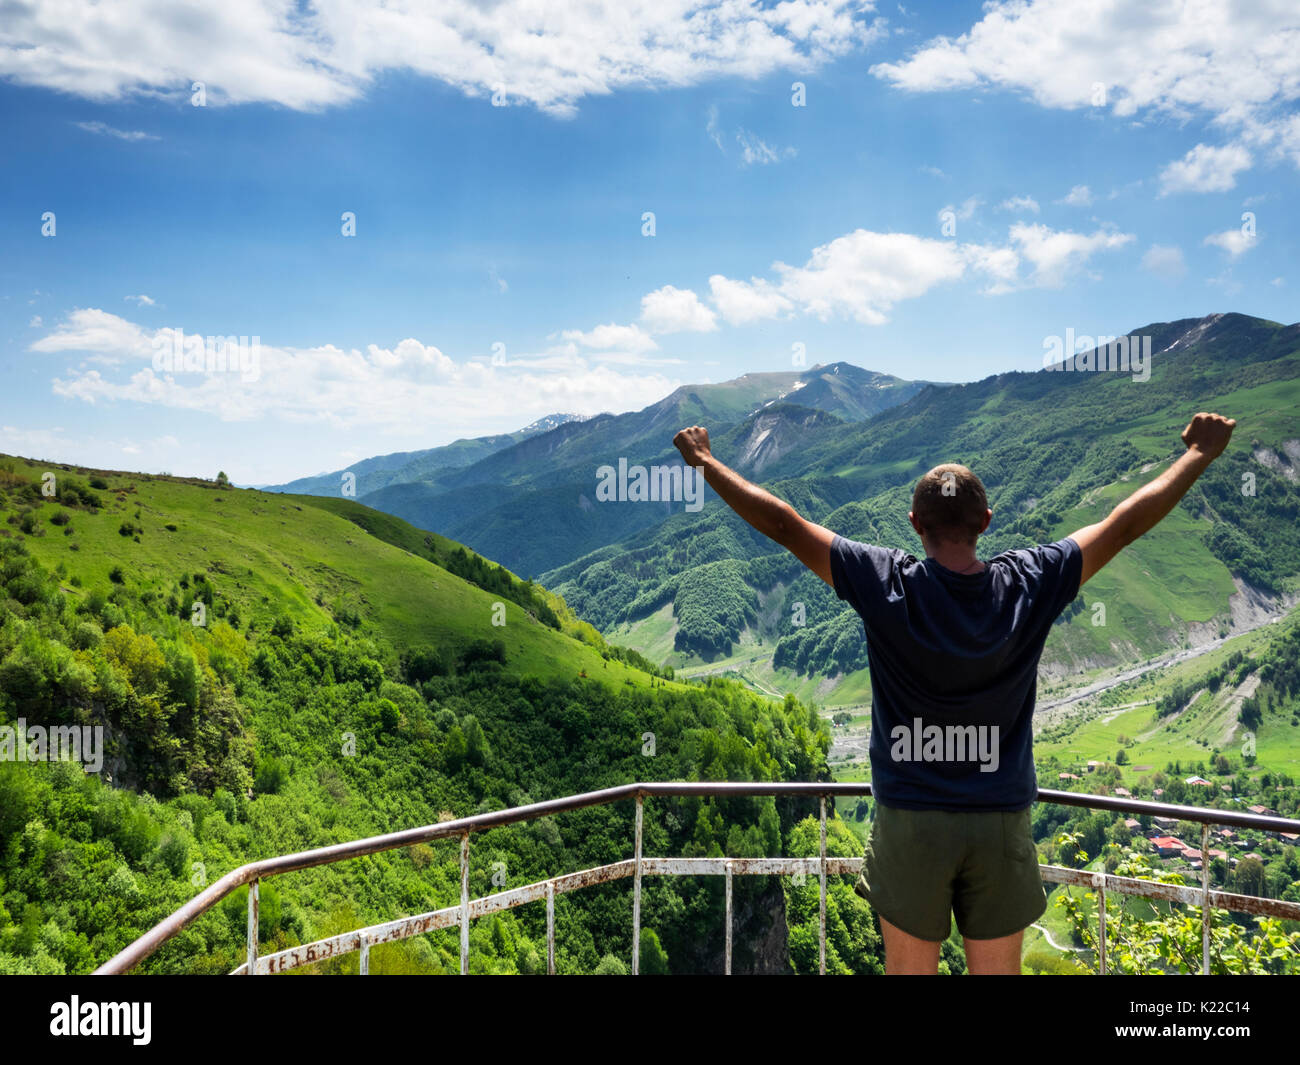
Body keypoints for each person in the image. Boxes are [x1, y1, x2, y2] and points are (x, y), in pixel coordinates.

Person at [672, 411, 1236, 974]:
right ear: (986, 521)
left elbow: (785, 525)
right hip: (1000, 817)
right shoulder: (1030, 582)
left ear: (915, 522)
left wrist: (707, 463)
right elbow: (1123, 524)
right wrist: (1197, 455)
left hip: (911, 817)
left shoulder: (885, 582)